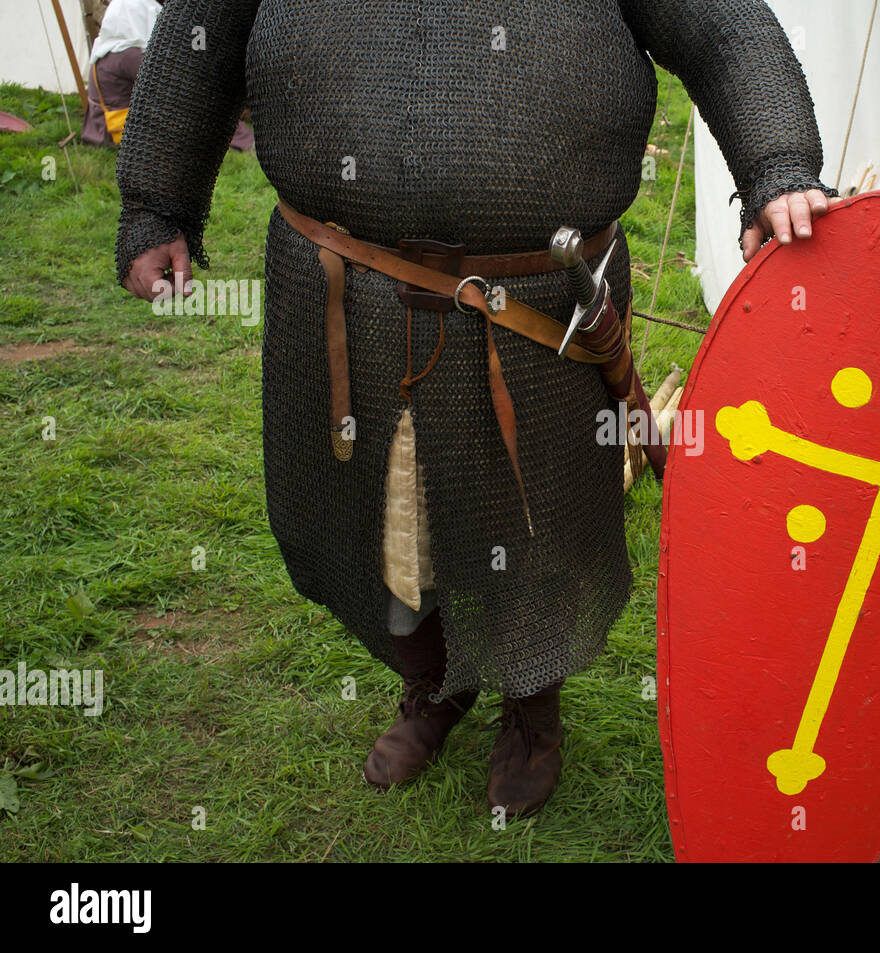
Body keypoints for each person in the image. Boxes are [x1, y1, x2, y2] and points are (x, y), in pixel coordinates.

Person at [116, 0, 838, 819]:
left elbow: (723, 28)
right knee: (387, 522)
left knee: (538, 522)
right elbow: (197, 41)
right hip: (344, 288)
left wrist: (776, 163)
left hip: (540, 299)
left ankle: (533, 710)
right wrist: (157, 203)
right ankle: (431, 686)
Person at [83, 0, 253, 151]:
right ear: (137, 18)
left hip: (100, 126)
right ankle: (244, 141)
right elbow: (181, 89)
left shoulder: (109, 48)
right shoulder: (128, 56)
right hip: (120, 130)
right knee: (202, 104)